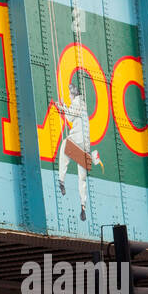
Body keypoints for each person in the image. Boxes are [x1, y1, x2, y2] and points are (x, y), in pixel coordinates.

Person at [54, 78, 102, 221]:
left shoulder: (77, 102)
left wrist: (62, 107)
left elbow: (69, 115)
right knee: (82, 178)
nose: (69, 96)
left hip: (76, 141)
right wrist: (62, 107)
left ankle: (61, 180)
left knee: (64, 148)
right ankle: (83, 206)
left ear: (73, 93)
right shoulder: (82, 104)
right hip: (85, 146)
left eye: (70, 94)